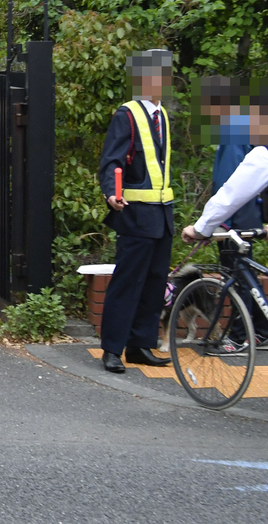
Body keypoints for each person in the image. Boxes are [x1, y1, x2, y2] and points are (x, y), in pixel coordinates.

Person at [182, 80, 268, 443]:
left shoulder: (266, 152)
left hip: (235, 221)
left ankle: (249, 335)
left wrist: (201, 228)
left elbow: (230, 191)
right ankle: (265, 332)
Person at [96, 49, 176, 374]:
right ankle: (112, 350)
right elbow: (111, 160)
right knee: (127, 282)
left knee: (155, 283)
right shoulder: (126, 114)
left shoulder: (164, 116)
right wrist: (110, 193)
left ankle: (141, 345)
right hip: (135, 213)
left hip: (162, 215)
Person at [196, 77, 268, 354]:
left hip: (236, 220)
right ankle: (266, 332)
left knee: (237, 278)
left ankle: (239, 337)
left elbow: (230, 183)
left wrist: (218, 222)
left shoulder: (231, 133)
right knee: (247, 277)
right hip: (244, 216)